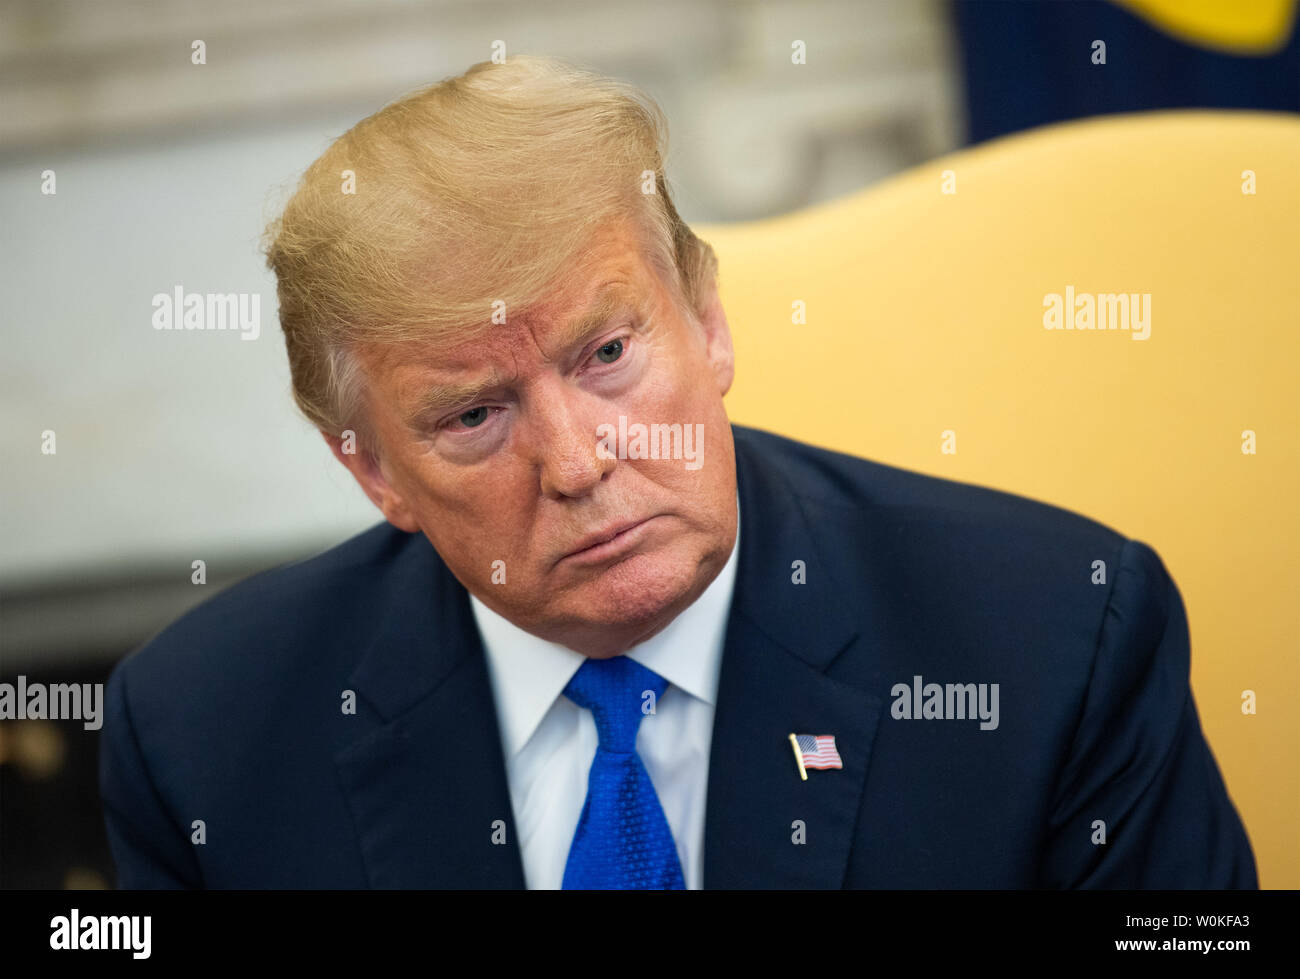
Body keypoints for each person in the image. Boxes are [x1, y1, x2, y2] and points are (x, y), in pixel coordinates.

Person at [99, 55, 1256, 889]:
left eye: (606, 354)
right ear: (371, 470)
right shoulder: (205, 737)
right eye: (472, 414)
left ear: (706, 321)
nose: (580, 459)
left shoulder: (1053, 640)